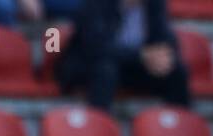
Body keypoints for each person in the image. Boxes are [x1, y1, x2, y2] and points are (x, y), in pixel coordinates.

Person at [56, 0, 190, 109]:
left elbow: (166, 36)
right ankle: (97, 131)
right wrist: (141, 56)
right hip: (90, 64)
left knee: (176, 70)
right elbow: (96, 47)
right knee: (105, 69)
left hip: (134, 65)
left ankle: (180, 132)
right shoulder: (96, 4)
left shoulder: (154, 3)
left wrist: (162, 54)